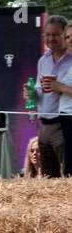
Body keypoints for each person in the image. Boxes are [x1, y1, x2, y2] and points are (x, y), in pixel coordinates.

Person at [35, 14, 72, 177]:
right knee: (48, 178)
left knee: (68, 174)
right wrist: (30, 94)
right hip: (44, 125)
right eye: (47, 34)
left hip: (63, 124)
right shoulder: (43, 60)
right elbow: (37, 91)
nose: (51, 39)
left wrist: (60, 87)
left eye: (55, 34)